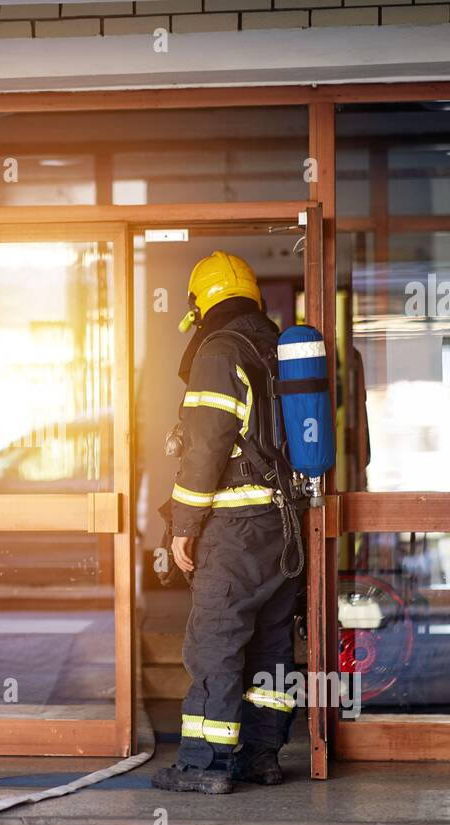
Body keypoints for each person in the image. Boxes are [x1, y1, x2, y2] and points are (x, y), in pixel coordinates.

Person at [153, 251, 302, 795]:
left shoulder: (218, 352)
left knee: (215, 640)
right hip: (284, 527)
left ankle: (203, 765)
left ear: (200, 304)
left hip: (235, 528)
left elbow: (206, 449)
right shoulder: (275, 348)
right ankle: (262, 757)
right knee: (270, 646)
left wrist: (183, 526)